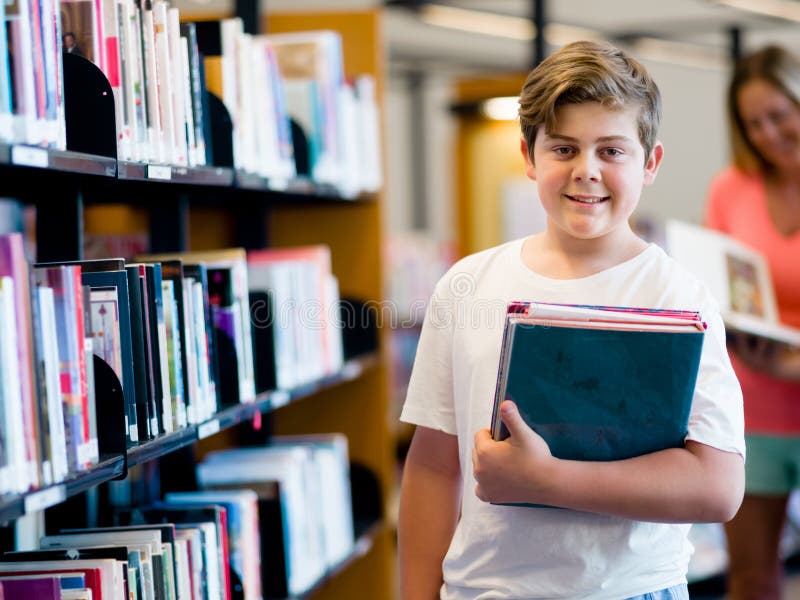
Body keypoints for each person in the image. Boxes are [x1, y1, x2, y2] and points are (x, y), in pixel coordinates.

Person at [398, 39, 746, 600]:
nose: (587, 171)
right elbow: (434, 468)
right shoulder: (468, 284)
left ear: (650, 162)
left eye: (612, 151)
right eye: (564, 149)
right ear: (529, 155)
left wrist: (546, 480)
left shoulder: (680, 297)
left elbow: (718, 488)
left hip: (635, 590)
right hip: (486, 591)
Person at [705, 44, 800, 600]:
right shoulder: (729, 188)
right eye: (753, 123)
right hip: (749, 408)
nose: (767, 133)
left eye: (779, 115)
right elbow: (712, 280)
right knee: (750, 577)